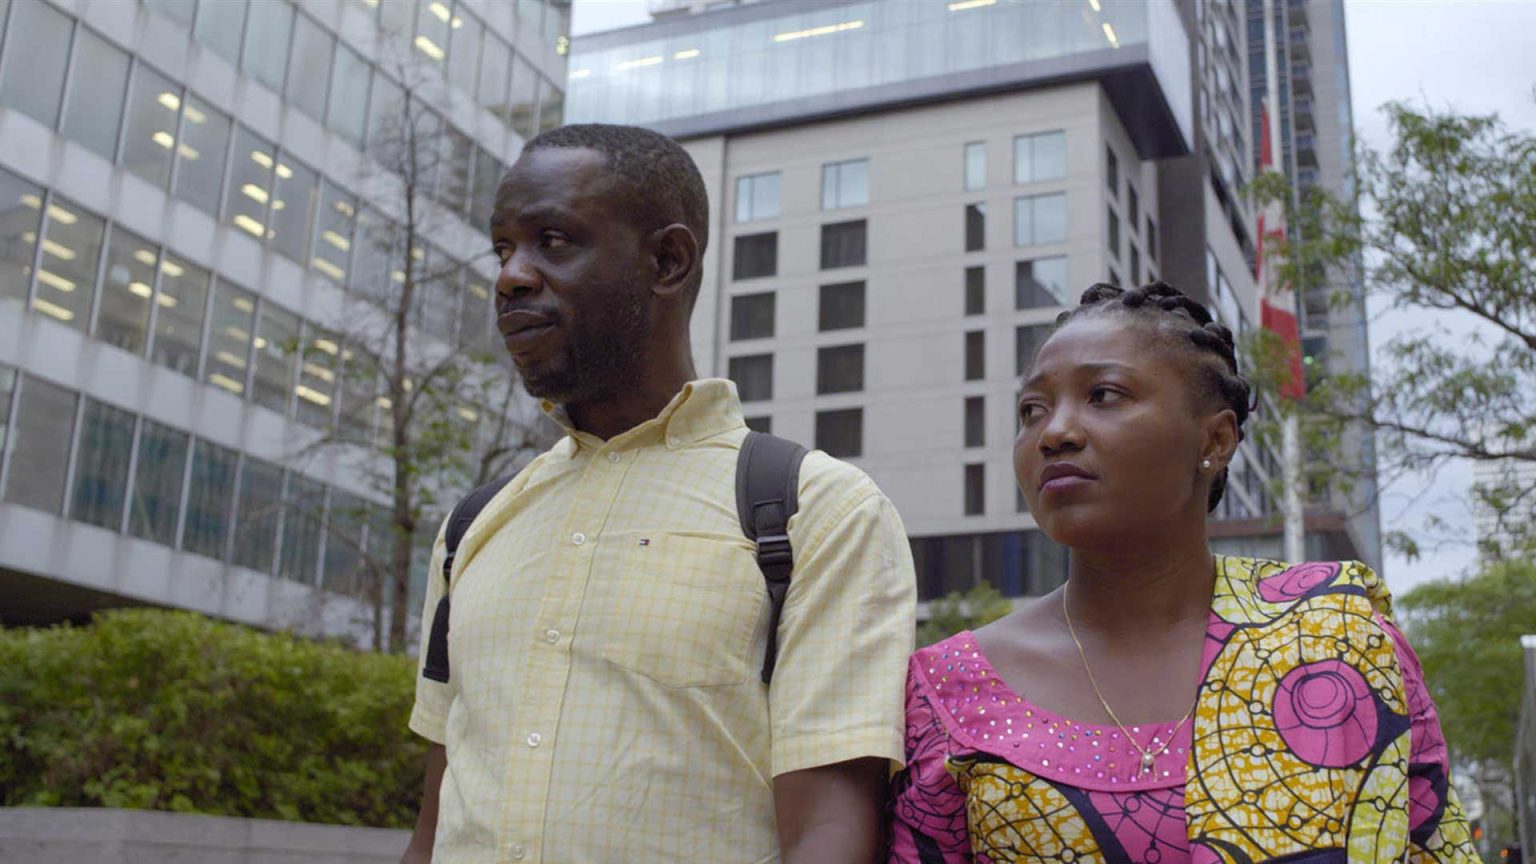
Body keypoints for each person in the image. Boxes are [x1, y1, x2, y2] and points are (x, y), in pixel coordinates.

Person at [399, 124, 916, 864]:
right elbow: (436, 822)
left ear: (668, 261)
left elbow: (829, 830)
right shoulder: (474, 525)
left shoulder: (818, 510)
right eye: (502, 247)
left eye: (553, 241)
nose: (511, 275)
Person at [888, 282, 1477, 862]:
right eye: (1031, 410)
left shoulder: (1338, 634)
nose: (1055, 432)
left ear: (1216, 440)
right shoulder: (949, 690)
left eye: (1104, 395)